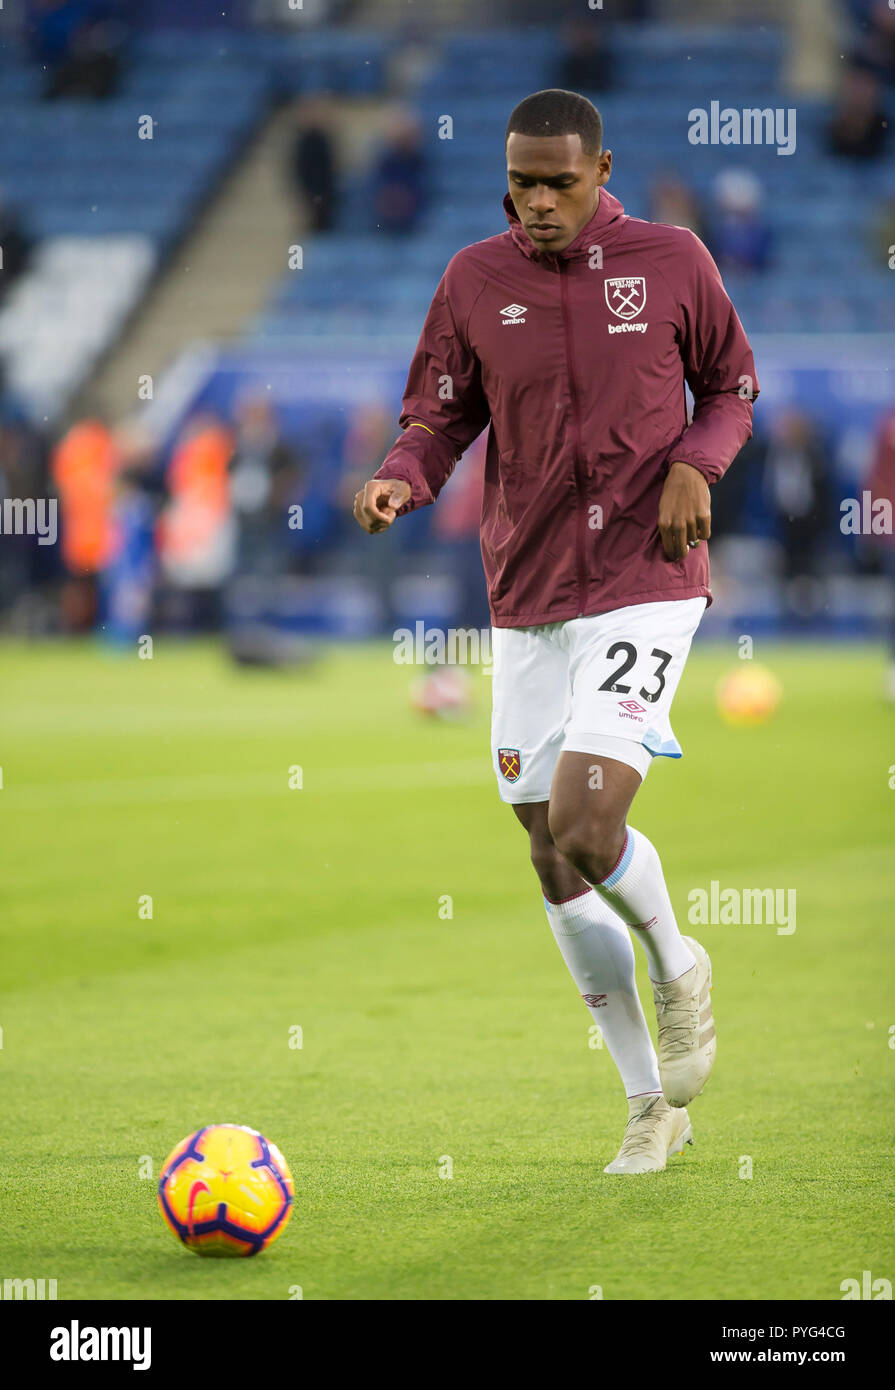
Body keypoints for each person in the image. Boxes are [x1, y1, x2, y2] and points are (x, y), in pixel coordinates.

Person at [353, 89, 758, 1176]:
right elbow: (438, 416)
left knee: (586, 821)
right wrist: (401, 476)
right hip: (527, 592)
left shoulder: (671, 259)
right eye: (520, 183)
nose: (537, 202)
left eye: (558, 182)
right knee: (547, 851)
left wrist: (692, 462)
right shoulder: (473, 280)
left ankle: (679, 962)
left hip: (643, 576)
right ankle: (646, 1105)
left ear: (601, 170)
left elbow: (731, 387)